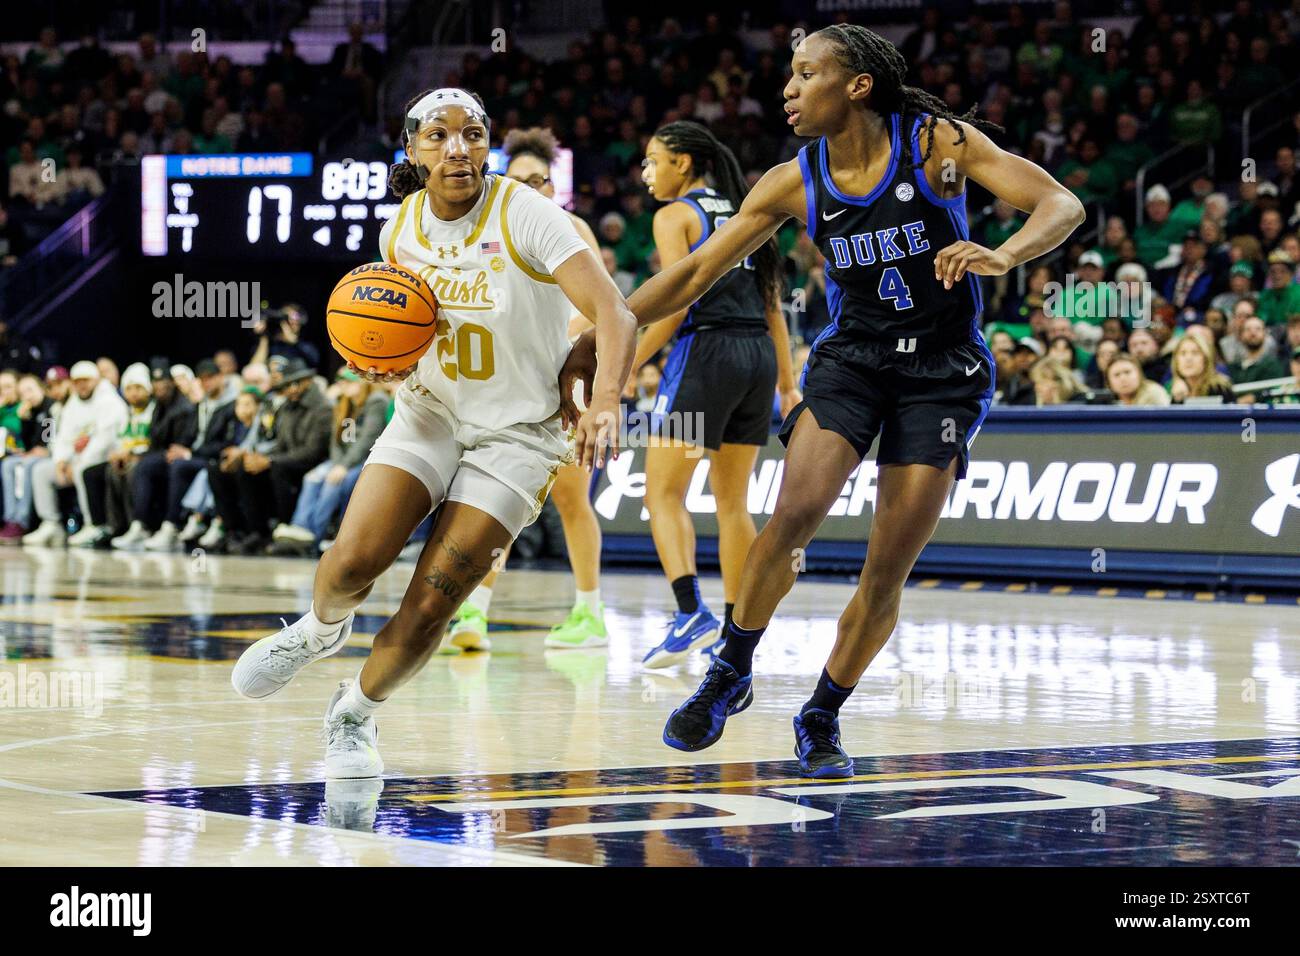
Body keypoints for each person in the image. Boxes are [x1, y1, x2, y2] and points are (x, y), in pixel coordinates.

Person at [567, 26, 1082, 775]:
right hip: (852, 363)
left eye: (807, 73)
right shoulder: (792, 178)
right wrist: (610, 325)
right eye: (791, 73)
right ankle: (730, 670)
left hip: (942, 372)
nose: (789, 88)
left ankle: (822, 714)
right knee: (793, 515)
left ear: (858, 85)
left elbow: (1060, 204)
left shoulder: (937, 142)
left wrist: (1004, 252)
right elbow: (694, 274)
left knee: (886, 568)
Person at [230, 88, 636, 779]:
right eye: (440, 136)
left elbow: (616, 312)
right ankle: (321, 630)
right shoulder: (401, 230)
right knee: (351, 565)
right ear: (413, 151)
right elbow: (399, 335)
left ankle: (352, 717)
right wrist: (375, 360)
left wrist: (605, 402)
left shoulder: (527, 215)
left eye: (474, 135)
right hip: (430, 414)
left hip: (518, 435)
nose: (459, 149)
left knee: (429, 606)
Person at [630, 120, 798, 669]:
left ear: (683, 163)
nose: (646, 171)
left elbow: (677, 303)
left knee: (661, 496)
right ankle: (735, 628)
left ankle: (688, 613)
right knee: (733, 503)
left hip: (706, 355)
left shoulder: (675, 215)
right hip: (756, 359)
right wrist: (789, 383)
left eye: (654, 160)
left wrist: (626, 363)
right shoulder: (751, 213)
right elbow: (774, 305)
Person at [441, 126, 614, 653]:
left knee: (570, 499)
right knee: (498, 497)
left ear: (551, 185)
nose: (531, 187)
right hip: (506, 380)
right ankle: (474, 612)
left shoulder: (572, 228)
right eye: (520, 179)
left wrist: (556, 352)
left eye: (539, 179)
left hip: (566, 377)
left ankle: (589, 612)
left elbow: (600, 311)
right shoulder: (484, 230)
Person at [206, 357, 330, 555]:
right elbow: (279, 444)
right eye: (287, 385)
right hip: (285, 460)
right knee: (227, 468)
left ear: (308, 381)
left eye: (295, 383)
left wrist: (270, 460)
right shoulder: (288, 407)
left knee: (276, 470)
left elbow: (312, 452)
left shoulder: (322, 409)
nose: (291, 389)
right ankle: (240, 530)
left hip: (308, 465)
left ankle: (282, 529)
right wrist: (252, 456)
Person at [270, 368, 388, 554]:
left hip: (366, 459)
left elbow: (366, 441)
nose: (343, 385)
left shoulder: (376, 402)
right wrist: (336, 463)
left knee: (333, 483)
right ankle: (300, 527)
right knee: (312, 477)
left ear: (362, 382)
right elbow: (336, 441)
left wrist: (343, 466)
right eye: (341, 382)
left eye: (348, 381)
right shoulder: (344, 403)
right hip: (343, 460)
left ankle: (315, 535)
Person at [111, 360, 197, 549]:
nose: (160, 387)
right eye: (156, 383)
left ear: (172, 383)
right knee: (137, 465)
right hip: (162, 455)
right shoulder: (160, 405)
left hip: (182, 455)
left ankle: (169, 527)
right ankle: (134, 525)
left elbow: (184, 440)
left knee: (149, 466)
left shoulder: (183, 406)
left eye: (164, 382)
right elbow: (154, 440)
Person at [0, 374, 56, 541]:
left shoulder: (50, 407)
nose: (27, 395)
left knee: (28, 465)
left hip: (49, 454)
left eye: (30, 390)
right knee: (8, 464)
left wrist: (34, 451)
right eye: (23, 392)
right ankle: (11, 518)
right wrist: (24, 419)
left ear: (41, 389)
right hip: (31, 454)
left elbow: (47, 442)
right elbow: (26, 444)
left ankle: (22, 520)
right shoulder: (29, 410)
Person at [1168, 334, 1233, 403]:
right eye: (1183, 353)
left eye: (1195, 353)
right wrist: (1177, 400)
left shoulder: (1220, 389)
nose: (1188, 358)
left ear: (1205, 359)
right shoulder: (1177, 390)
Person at [1105, 353, 1170, 406]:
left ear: (1139, 374)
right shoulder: (1108, 403)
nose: (1123, 379)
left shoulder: (1154, 393)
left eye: (1127, 372)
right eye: (1117, 375)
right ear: (1109, 383)